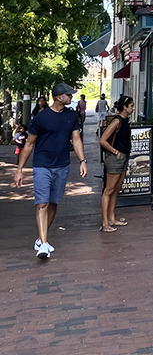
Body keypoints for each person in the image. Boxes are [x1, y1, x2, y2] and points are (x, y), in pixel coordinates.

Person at [13, 83, 87, 260]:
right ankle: (44, 245)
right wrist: (19, 170)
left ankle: (41, 238)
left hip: (62, 165)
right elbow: (29, 144)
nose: (71, 97)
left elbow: (76, 140)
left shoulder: (72, 115)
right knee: (42, 203)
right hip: (42, 165)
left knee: (53, 203)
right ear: (59, 97)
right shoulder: (41, 117)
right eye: (69, 95)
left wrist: (82, 160)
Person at [99, 95, 134, 232]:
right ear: (125, 107)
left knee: (116, 190)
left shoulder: (125, 120)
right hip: (116, 158)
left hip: (124, 156)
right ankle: (104, 223)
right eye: (131, 106)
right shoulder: (117, 120)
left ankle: (112, 218)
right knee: (108, 190)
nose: (133, 108)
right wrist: (114, 151)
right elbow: (103, 140)